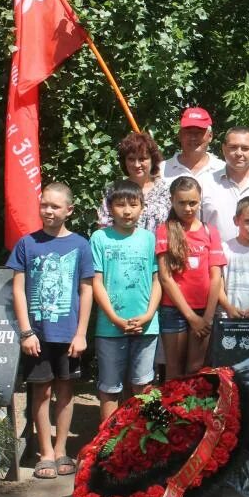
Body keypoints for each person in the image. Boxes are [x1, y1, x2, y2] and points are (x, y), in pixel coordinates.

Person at [6, 182, 93, 479]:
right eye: (44, 204)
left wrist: (81, 333)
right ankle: (44, 452)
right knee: (41, 393)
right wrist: (26, 332)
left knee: (66, 393)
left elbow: (86, 289)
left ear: (69, 210)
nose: (48, 210)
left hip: (68, 334)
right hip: (38, 335)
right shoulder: (27, 244)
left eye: (55, 206)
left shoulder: (81, 245)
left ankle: (60, 450)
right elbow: (18, 290)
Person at [90, 180, 162, 422]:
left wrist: (149, 314)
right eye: (120, 205)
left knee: (143, 385)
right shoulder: (99, 238)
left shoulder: (149, 239)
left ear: (143, 207)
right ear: (110, 208)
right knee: (110, 388)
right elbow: (96, 282)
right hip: (110, 327)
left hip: (146, 325)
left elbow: (157, 280)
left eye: (133, 204)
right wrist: (115, 318)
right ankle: (107, 445)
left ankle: (142, 439)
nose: (127, 210)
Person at [155, 176, 226, 380]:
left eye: (193, 202)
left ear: (200, 200)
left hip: (205, 311)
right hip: (174, 311)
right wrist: (191, 317)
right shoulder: (164, 230)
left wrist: (207, 317)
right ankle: (174, 412)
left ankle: (193, 412)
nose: (188, 208)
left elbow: (216, 277)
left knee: (196, 370)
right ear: (172, 201)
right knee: (174, 371)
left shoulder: (210, 231)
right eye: (182, 203)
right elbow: (166, 278)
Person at [160, 107, 225, 224]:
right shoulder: (161, 171)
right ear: (180, 135)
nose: (193, 137)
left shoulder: (224, 171)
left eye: (199, 132)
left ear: (210, 136)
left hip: (214, 241)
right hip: (171, 240)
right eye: (188, 132)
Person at [97, 132, 171, 233]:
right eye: (131, 159)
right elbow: (104, 228)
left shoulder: (167, 191)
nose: (137, 165)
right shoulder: (113, 190)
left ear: (152, 160)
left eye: (142, 159)